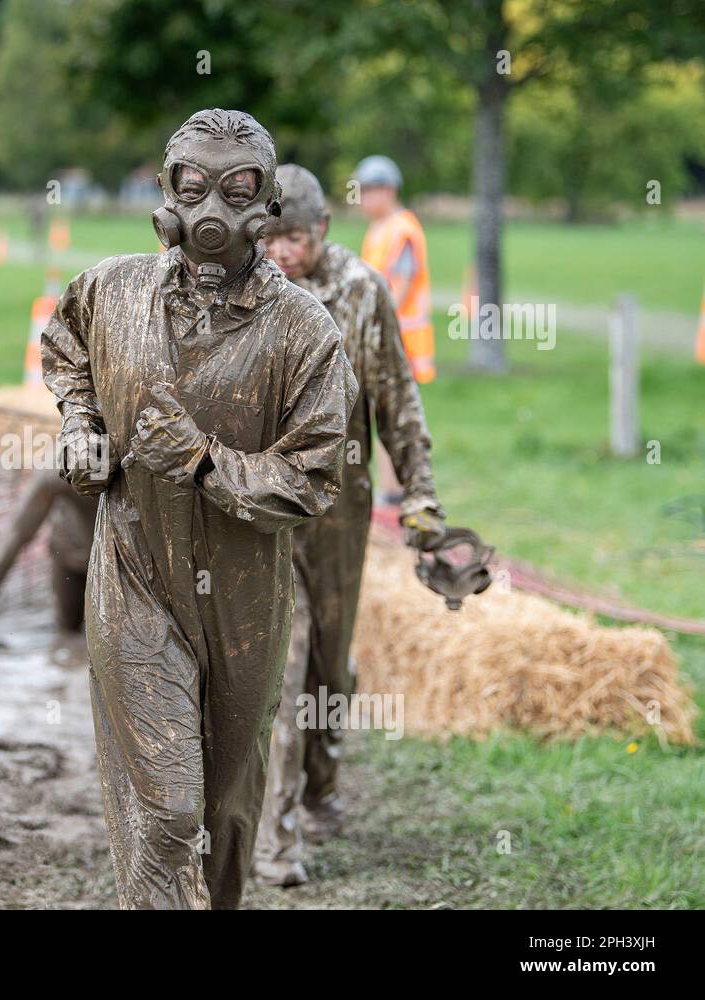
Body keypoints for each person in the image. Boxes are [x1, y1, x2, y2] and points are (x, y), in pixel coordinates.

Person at [41, 109, 357, 909]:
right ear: (166, 191)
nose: (210, 206)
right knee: (169, 810)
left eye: (236, 188)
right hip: (135, 575)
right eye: (193, 185)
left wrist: (204, 461)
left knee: (226, 811)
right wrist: (82, 426)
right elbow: (66, 345)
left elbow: (314, 476)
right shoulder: (111, 289)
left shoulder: (303, 330)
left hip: (246, 594)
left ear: (268, 201)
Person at [260, 164, 446, 886]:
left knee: (329, 665)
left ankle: (323, 782)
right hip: (267, 506)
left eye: (295, 238)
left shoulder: (361, 294)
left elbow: (399, 404)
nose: (281, 253)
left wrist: (423, 498)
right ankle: (277, 840)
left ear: (324, 231)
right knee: (285, 658)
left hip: (341, 508)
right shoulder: (248, 290)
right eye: (270, 237)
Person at [0, 471, 96, 646]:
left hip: (124, 553)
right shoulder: (58, 468)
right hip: (73, 554)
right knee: (68, 631)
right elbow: (15, 536)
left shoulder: (132, 458)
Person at [355, 155, 435, 385]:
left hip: (401, 338)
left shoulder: (403, 229)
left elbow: (403, 284)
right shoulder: (379, 227)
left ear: (388, 190)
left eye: (367, 191)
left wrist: (377, 320)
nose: (361, 198)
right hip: (384, 334)